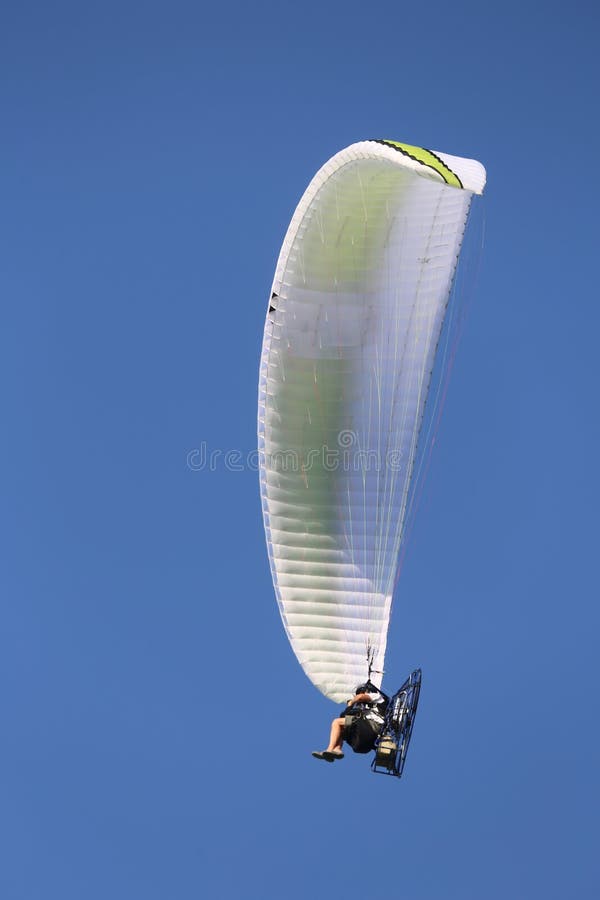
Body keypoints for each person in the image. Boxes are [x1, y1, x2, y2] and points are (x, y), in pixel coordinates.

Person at [312, 683, 387, 762]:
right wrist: (349, 707)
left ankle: (329, 749)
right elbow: (344, 716)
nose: (358, 695)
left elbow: (360, 697)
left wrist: (352, 702)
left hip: (373, 727)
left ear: (368, 691)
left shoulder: (376, 696)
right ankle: (337, 750)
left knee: (336, 722)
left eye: (361, 692)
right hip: (362, 741)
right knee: (343, 725)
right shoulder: (364, 709)